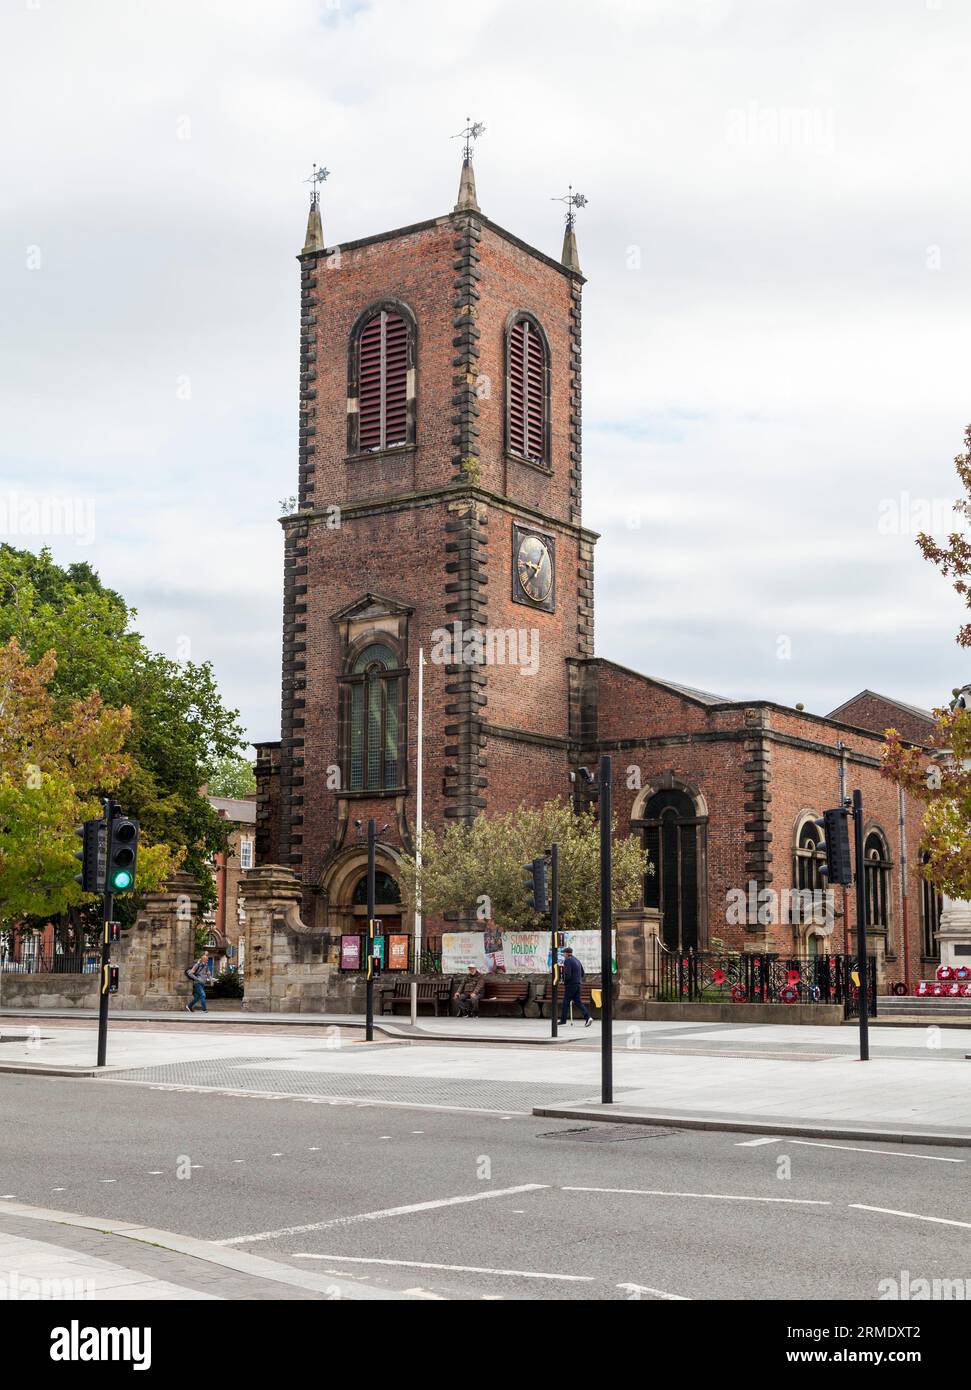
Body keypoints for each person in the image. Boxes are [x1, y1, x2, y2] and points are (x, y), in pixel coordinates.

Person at [559, 947, 592, 1027]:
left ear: (567, 953)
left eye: (563, 953)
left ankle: (563, 1020)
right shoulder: (577, 960)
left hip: (571, 985)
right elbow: (583, 973)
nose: (563, 955)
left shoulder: (567, 961)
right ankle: (588, 1017)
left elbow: (568, 975)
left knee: (565, 1002)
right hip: (578, 984)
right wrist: (577, 979)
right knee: (578, 1002)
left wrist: (562, 980)